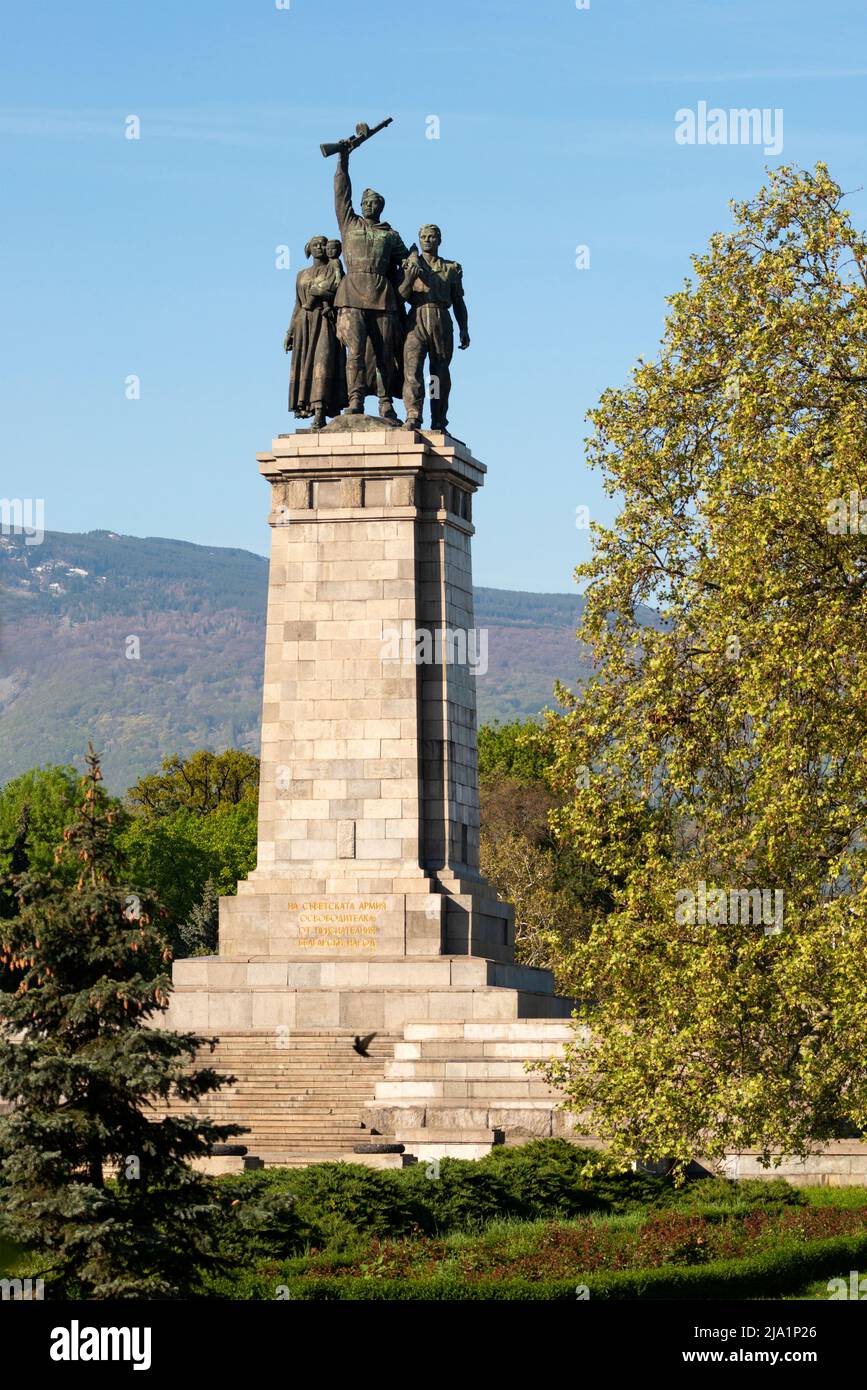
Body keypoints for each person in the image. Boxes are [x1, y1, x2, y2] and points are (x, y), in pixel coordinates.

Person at [332, 145, 416, 419]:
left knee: (384, 354)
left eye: (375, 203)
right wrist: (343, 160)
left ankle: (385, 402)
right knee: (354, 352)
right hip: (351, 294)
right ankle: (355, 399)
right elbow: (341, 193)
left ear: (381, 208)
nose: (370, 206)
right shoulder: (350, 224)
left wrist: (414, 258)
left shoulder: (390, 235)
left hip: (382, 296)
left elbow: (407, 259)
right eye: (366, 202)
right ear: (361, 205)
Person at [400, 223, 469, 433]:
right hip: (416, 318)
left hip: (441, 319)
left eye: (432, 237)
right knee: (412, 370)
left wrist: (464, 328)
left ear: (439, 240)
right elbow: (401, 296)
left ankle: (438, 419)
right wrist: (410, 277)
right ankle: (413, 415)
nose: (427, 240)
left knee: (437, 375)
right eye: (424, 237)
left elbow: (459, 302)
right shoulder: (410, 265)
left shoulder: (451, 269)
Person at [284, 235, 346, 429]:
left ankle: (320, 409)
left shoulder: (334, 268)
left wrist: (324, 296)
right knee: (307, 365)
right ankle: (308, 406)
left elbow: (340, 292)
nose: (319, 247)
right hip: (304, 322)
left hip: (325, 321)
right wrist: (290, 331)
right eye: (315, 244)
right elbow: (297, 304)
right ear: (309, 249)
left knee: (323, 361)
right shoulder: (301, 274)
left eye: (322, 244)